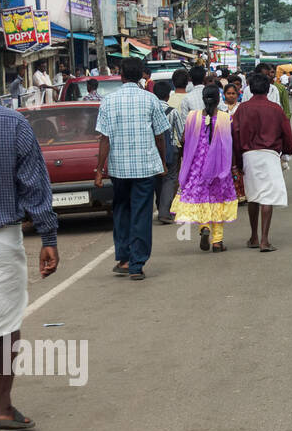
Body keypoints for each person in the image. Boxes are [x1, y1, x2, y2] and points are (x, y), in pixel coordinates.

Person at [0, 50, 59, 431]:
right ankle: (0, 406)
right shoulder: (11, 123)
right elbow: (35, 186)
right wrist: (48, 238)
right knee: (4, 325)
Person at [94, 58, 168, 280]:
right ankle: (136, 264)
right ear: (141, 75)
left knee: (122, 211)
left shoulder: (109, 101)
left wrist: (99, 169)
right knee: (141, 215)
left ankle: (124, 259)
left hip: (119, 169)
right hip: (145, 168)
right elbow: (160, 136)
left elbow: (104, 139)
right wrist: (162, 162)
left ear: (121, 75)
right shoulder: (151, 100)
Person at [233, 71, 292, 252]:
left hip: (248, 154)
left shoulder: (242, 109)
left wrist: (238, 160)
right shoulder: (276, 109)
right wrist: (288, 150)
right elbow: (287, 134)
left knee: (253, 196)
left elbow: (235, 135)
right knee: (267, 196)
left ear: (250, 89)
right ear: (269, 89)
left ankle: (253, 236)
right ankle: (264, 240)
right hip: (269, 154)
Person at [172, 85, 239, 253]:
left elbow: (184, 140)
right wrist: (234, 167)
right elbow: (230, 145)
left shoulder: (192, 117)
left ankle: (204, 228)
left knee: (202, 199)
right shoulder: (226, 118)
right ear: (219, 99)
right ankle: (217, 242)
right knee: (218, 200)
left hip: (197, 167)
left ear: (203, 99)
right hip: (219, 168)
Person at [153, 80, 185, 225]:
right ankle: (164, 212)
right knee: (170, 179)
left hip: (151, 149)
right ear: (168, 96)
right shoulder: (173, 112)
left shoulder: (149, 109)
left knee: (156, 179)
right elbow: (180, 133)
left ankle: (160, 206)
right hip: (170, 149)